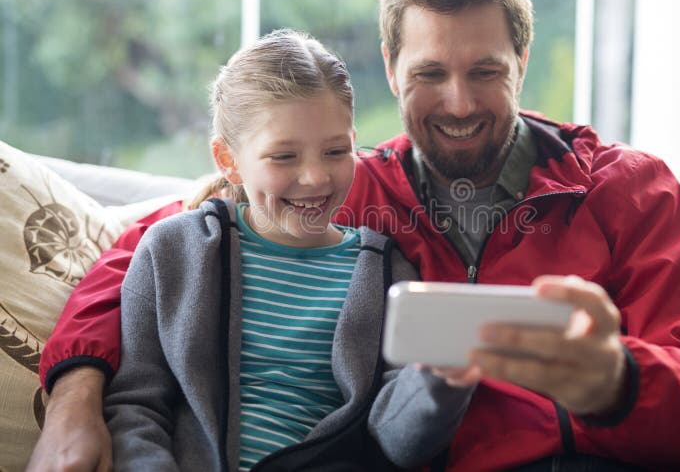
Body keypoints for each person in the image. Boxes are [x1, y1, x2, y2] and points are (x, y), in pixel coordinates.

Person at [29, 0, 680, 471]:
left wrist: (617, 380)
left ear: (523, 64)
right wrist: (73, 399)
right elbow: (148, 248)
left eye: (486, 71)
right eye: (430, 72)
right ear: (390, 68)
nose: (460, 102)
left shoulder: (625, 189)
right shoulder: (344, 189)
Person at [80, 29, 475, 471]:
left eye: (335, 151)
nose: (315, 178)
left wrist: (440, 383)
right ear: (228, 160)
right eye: (284, 157)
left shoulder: (388, 273)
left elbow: (396, 439)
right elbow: (136, 407)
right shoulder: (172, 250)